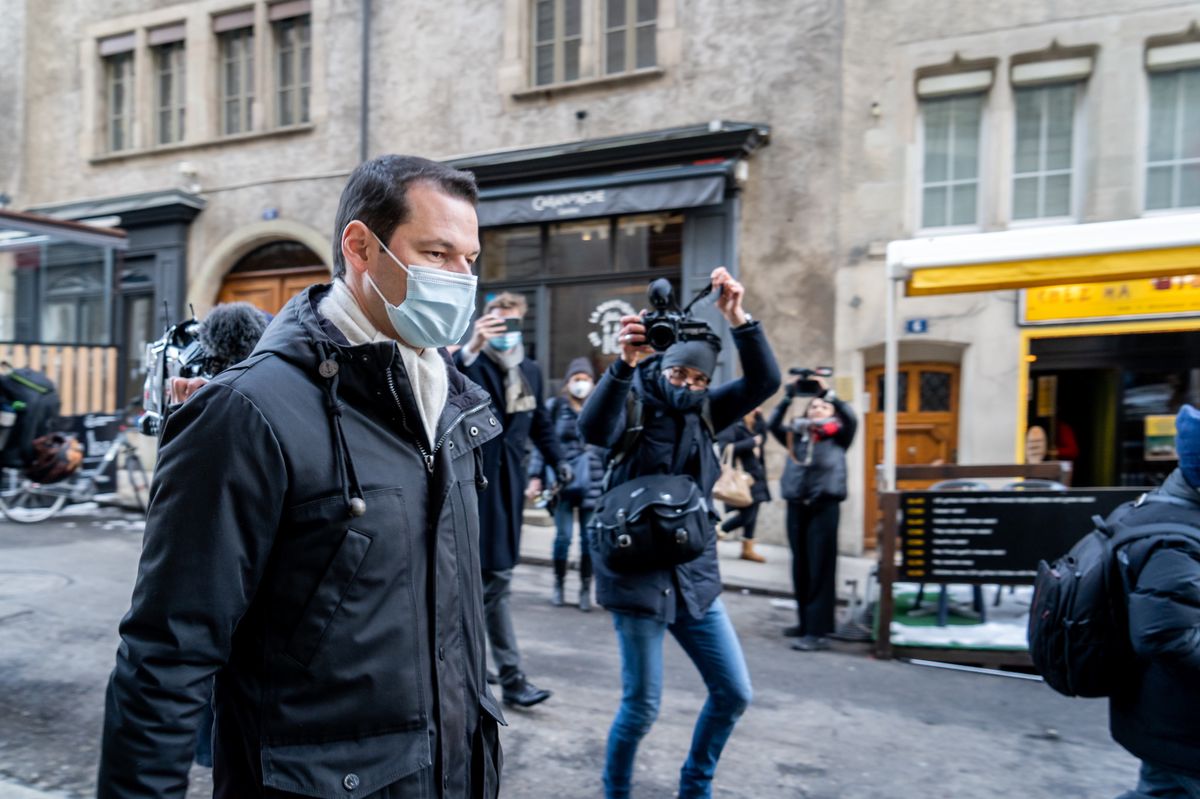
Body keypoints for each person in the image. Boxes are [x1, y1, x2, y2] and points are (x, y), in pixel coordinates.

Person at [99, 155, 505, 798]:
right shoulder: (247, 412)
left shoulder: (454, 408)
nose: (462, 278)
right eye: (436, 253)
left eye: (469, 259)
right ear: (361, 248)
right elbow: (166, 656)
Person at [578, 267, 781, 799]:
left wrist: (738, 316)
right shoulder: (635, 396)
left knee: (734, 692)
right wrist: (623, 364)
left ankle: (696, 786)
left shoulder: (707, 411)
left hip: (694, 574)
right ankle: (615, 792)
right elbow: (594, 430)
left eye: (698, 381)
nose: (688, 388)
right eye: (679, 377)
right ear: (663, 365)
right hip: (634, 572)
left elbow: (765, 383)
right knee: (642, 706)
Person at [455, 293, 567, 708]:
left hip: (508, 489)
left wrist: (560, 463)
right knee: (483, 581)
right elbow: (441, 390)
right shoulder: (468, 363)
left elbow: (540, 425)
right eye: (497, 323)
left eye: (512, 324)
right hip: (468, 484)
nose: (505, 332)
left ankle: (475, 663)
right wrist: (471, 347)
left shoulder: (530, 371)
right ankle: (510, 676)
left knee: (492, 580)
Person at [1111, 404, 1200, 799]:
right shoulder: (1177, 537)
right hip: (1181, 723)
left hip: (1166, 717)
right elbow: (1164, 634)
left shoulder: (1165, 511)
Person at [768, 376, 857, 652]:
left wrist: (829, 392)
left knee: (820, 567)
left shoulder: (840, 436)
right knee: (801, 566)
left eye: (823, 407)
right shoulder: (796, 436)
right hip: (797, 505)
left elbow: (851, 418)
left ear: (832, 413)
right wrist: (787, 396)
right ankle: (805, 622)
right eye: (813, 407)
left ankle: (818, 632)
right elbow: (772, 425)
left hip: (824, 506)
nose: (817, 410)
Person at [527, 357, 605, 610]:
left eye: (585, 379)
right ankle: (559, 584)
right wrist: (535, 476)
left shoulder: (602, 406)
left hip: (593, 480)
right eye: (577, 379)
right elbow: (543, 444)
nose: (581, 384)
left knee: (588, 538)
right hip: (562, 480)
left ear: (593, 383)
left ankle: (585, 588)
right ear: (568, 382)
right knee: (563, 536)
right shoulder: (555, 406)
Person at [716, 408, 770, 563]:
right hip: (741, 477)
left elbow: (764, 437)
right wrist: (751, 442)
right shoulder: (734, 423)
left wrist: (760, 418)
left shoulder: (756, 423)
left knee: (752, 516)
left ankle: (748, 549)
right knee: (747, 516)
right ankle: (715, 534)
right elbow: (725, 447)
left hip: (756, 476)